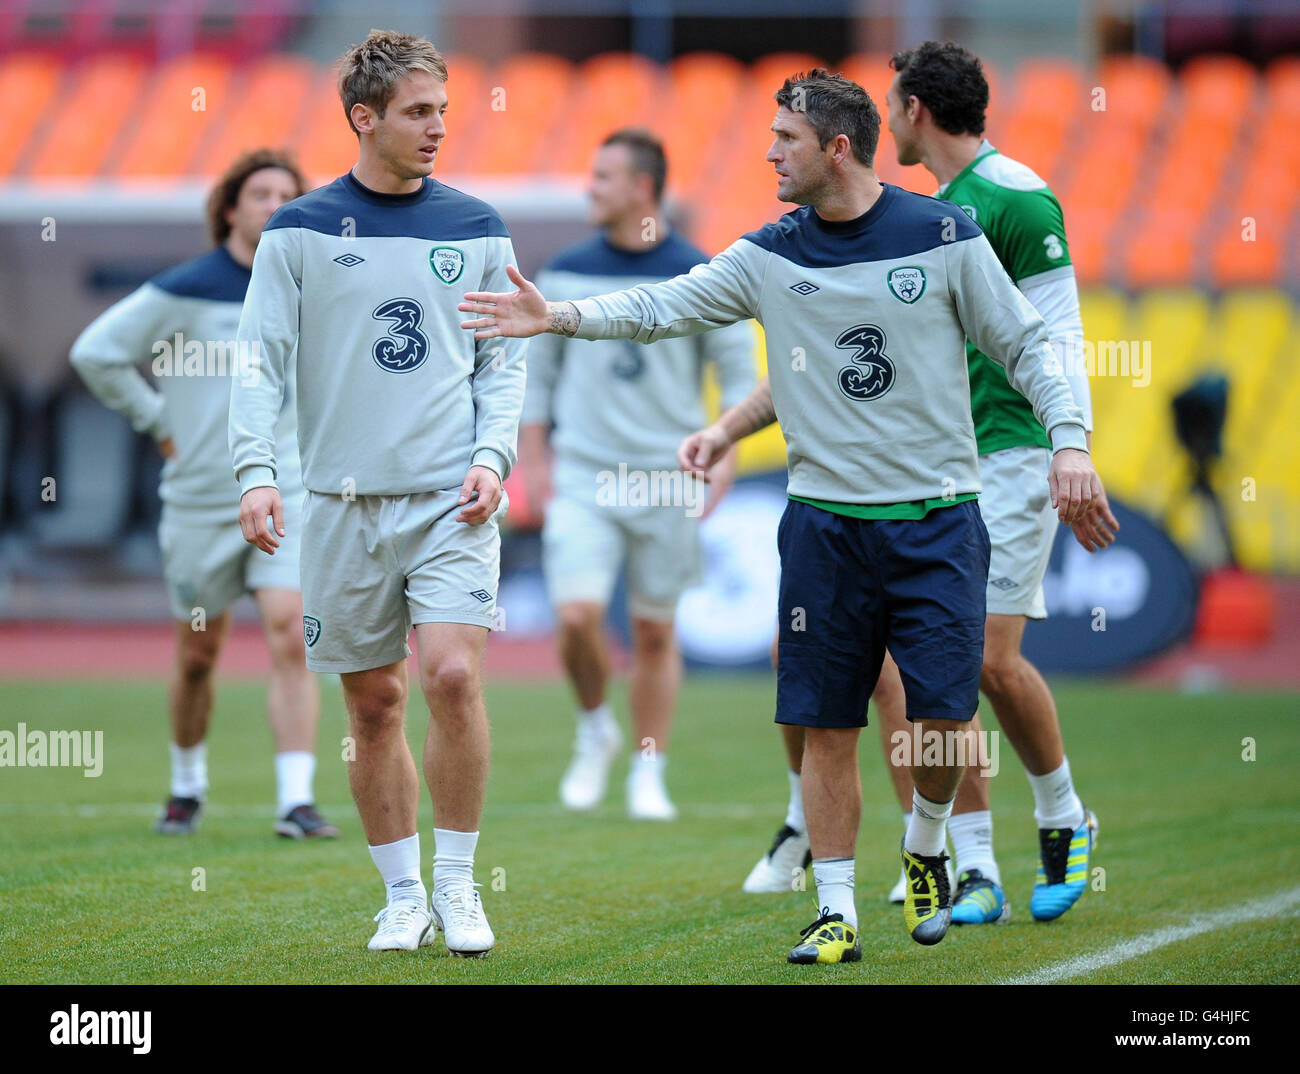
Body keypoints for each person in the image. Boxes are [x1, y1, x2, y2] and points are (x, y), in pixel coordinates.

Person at [460, 69, 1100, 963]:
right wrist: (555, 315)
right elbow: (660, 306)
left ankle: (925, 847)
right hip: (823, 526)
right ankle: (834, 908)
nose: (768, 152)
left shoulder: (945, 232)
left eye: (786, 139)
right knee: (829, 719)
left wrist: (1068, 440)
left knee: (945, 720)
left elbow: (1028, 345)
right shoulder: (770, 252)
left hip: (940, 521)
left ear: (837, 147)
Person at [745, 41, 1115, 927]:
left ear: (911, 112)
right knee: (915, 679)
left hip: (1015, 451)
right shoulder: (915, 214)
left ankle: (1064, 818)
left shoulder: (1013, 197)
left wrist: (1074, 444)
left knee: (984, 658)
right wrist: (730, 428)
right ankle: (967, 861)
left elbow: (1047, 334)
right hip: (932, 460)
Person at [230, 30, 525, 956]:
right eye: (419, 112)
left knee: (448, 674)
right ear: (366, 118)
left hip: (451, 498)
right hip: (340, 505)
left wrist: (494, 457)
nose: (440, 127)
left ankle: (460, 885)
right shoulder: (301, 231)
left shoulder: (477, 225)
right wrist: (255, 470)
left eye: (443, 109)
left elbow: (505, 361)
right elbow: (259, 362)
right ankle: (402, 896)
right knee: (372, 707)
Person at [71, 149, 337, 841]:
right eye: (262, 193)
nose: (275, 204)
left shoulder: (310, 289)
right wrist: (158, 420)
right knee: (198, 653)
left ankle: (296, 801)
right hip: (198, 502)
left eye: (288, 194)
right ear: (229, 207)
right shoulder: (185, 288)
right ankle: (187, 788)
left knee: (291, 630)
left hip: (287, 495)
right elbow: (95, 353)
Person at [520, 128, 756, 820]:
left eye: (603, 177)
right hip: (586, 473)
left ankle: (648, 769)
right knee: (576, 615)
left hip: (668, 473)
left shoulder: (705, 273)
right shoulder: (562, 272)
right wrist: (534, 460)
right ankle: (596, 729)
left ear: (644, 189)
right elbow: (538, 380)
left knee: (655, 631)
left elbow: (741, 380)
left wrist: (726, 459)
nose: (589, 189)